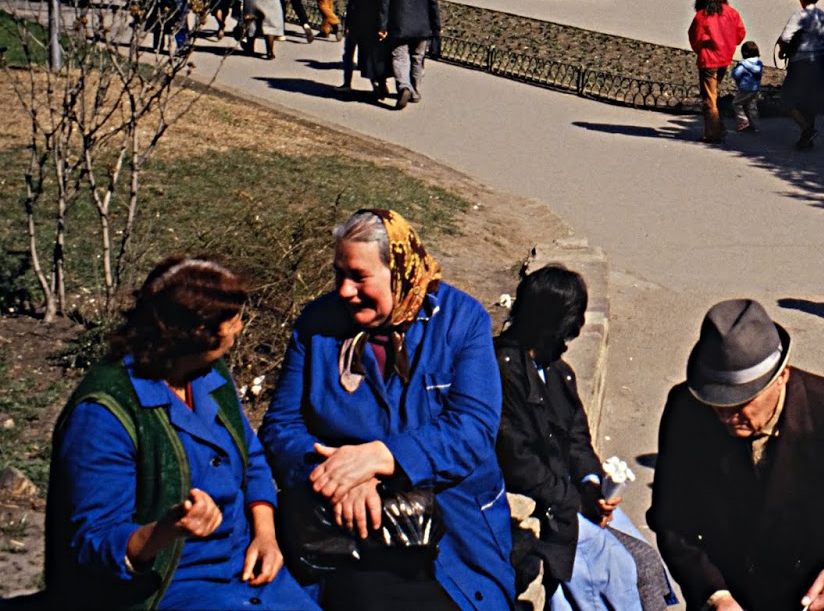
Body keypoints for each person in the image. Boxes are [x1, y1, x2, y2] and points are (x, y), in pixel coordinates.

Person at [260, 209, 515, 611]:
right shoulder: (316, 325)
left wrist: (382, 458)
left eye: (358, 277)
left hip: (450, 532)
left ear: (397, 271)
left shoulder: (461, 321)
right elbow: (281, 426)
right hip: (343, 529)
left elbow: (473, 427)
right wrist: (339, 475)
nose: (345, 290)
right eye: (339, 274)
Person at [46, 257, 318, 610]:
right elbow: (92, 544)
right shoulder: (105, 413)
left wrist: (266, 535)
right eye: (232, 320)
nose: (239, 328)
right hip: (167, 587)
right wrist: (167, 529)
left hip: (245, 569)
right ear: (198, 332)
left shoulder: (210, 374)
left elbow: (252, 457)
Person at [648, 299, 824, 611]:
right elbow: (672, 519)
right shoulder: (686, 410)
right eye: (717, 403)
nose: (727, 417)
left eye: (742, 402)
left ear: (782, 376)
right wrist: (715, 594)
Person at [495, 266, 675, 611]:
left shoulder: (558, 372)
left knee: (647, 564)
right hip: (547, 504)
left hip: (572, 497)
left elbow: (578, 438)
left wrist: (593, 487)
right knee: (618, 569)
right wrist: (576, 501)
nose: (566, 343)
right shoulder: (502, 372)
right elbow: (518, 460)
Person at [377, 0, 440, 110]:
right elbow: (433, 3)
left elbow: (385, 3)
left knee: (400, 57)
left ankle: (404, 86)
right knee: (417, 58)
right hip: (423, 26)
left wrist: (382, 27)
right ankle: (415, 91)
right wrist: (436, 26)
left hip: (399, 25)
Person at [688, 0, 747, 143]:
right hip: (724, 58)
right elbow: (740, 35)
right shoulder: (731, 13)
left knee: (709, 98)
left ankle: (713, 133)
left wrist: (701, 50)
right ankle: (718, 127)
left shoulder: (702, 16)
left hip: (708, 60)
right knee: (713, 94)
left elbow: (694, 37)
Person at [777, 0, 824, 150]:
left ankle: (807, 129)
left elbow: (785, 38)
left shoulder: (800, 16)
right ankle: (806, 140)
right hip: (819, 60)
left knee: (787, 98)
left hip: (801, 63)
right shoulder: (822, 15)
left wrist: (783, 51)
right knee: (810, 101)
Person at [343, 0, 395, 100]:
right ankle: (380, 82)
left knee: (351, 51)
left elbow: (354, 0)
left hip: (359, 19)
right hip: (377, 19)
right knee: (374, 54)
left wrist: (348, 22)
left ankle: (348, 83)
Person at [729, 41, 763, 134]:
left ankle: (743, 121)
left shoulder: (743, 64)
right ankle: (755, 126)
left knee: (736, 103)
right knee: (751, 107)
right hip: (755, 88)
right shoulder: (758, 63)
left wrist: (734, 70)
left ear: (744, 53)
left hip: (745, 88)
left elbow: (736, 74)